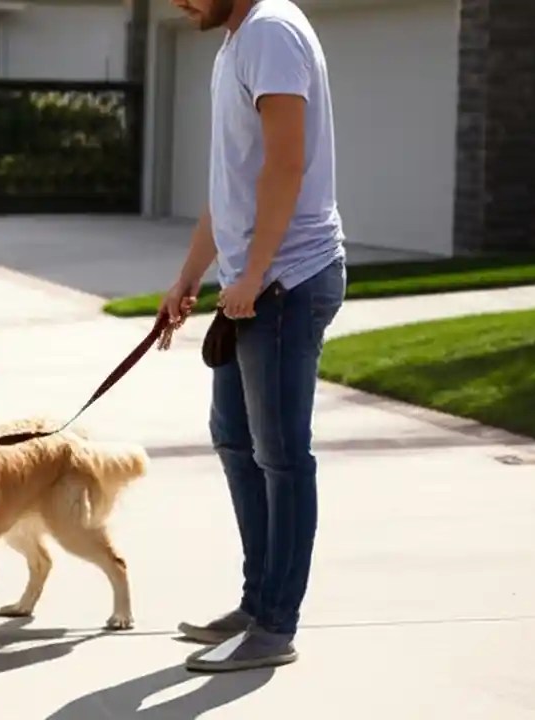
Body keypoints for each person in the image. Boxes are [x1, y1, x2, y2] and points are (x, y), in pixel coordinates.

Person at [160, 0, 347, 673]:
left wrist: (257, 273)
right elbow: (231, 182)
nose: (176, 2)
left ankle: (275, 625)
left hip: (288, 284)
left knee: (281, 456)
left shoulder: (270, 31)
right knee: (236, 439)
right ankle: (257, 602)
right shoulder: (235, 43)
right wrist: (189, 278)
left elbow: (285, 164)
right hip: (252, 287)